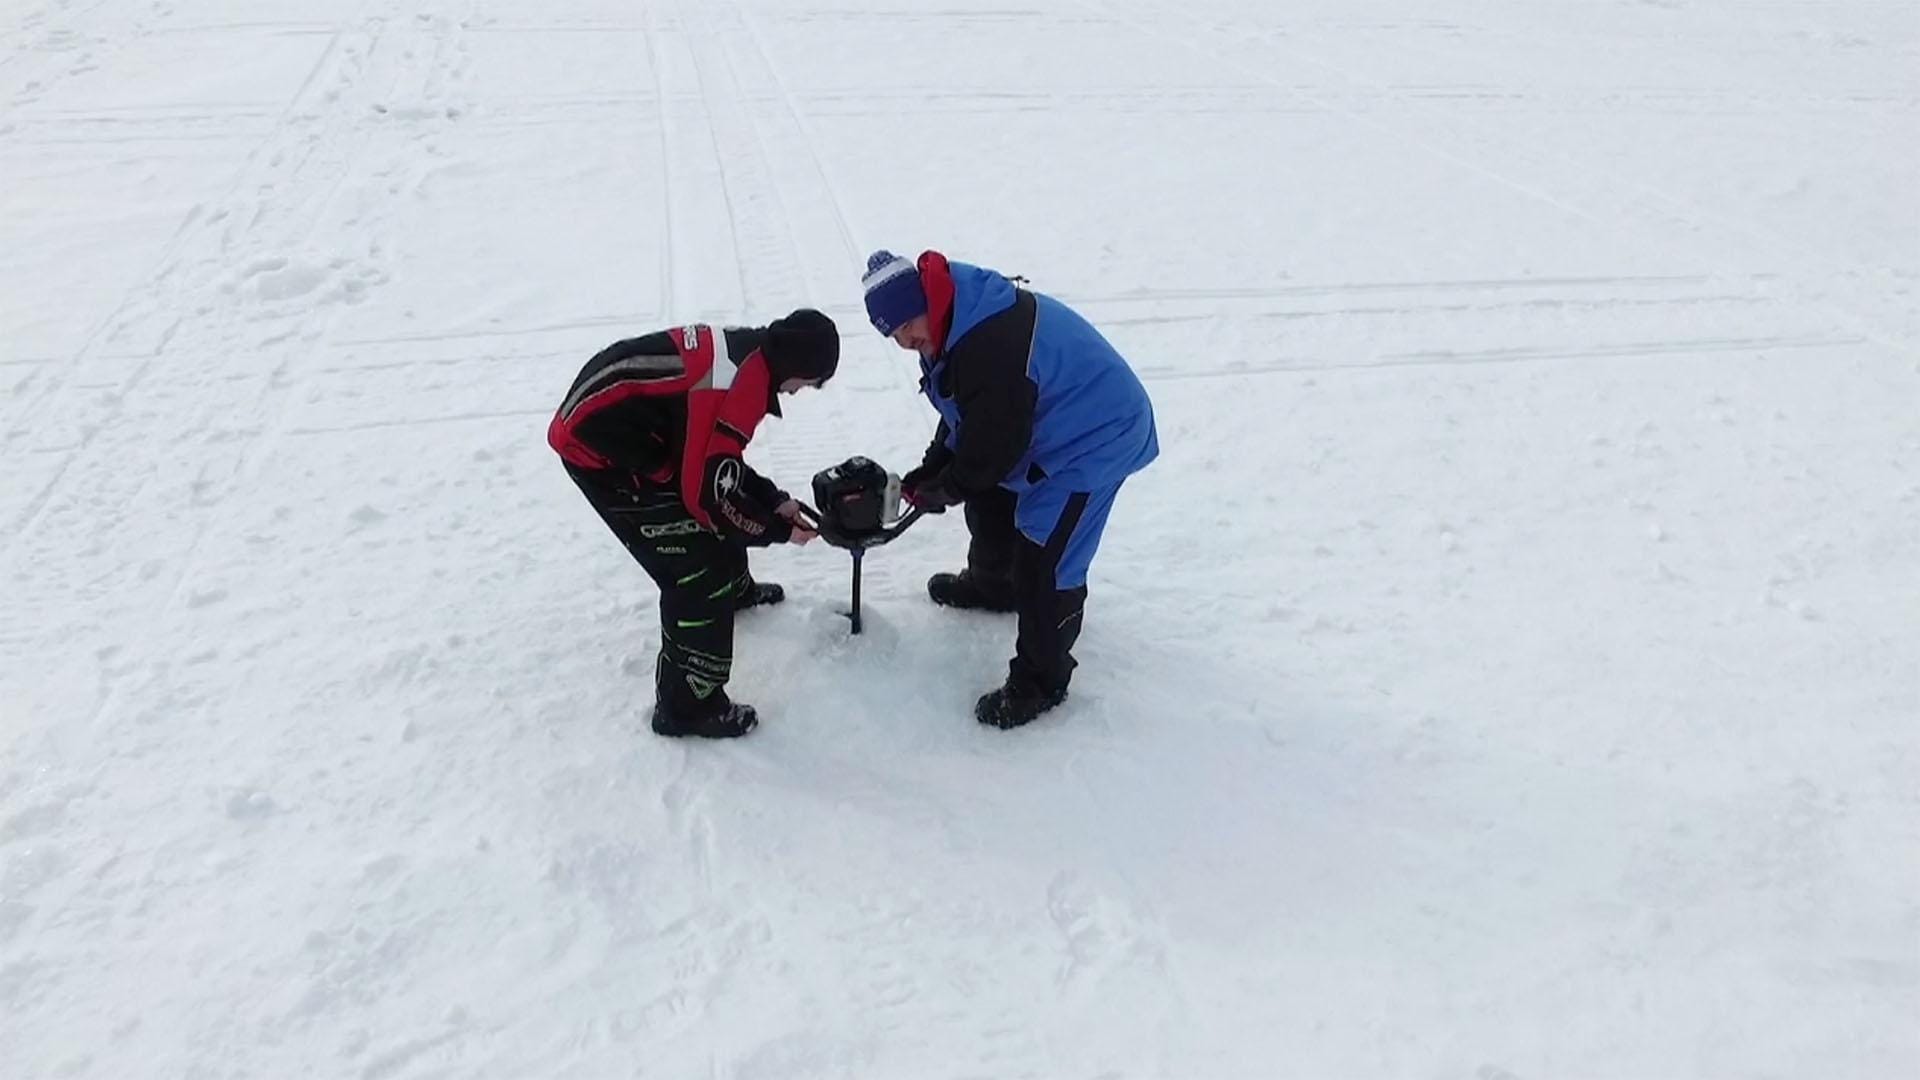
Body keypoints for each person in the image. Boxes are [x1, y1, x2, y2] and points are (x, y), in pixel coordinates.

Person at [860, 250, 1157, 729]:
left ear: (925, 302)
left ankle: (1041, 683)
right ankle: (994, 584)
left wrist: (950, 484)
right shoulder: (953, 320)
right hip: (1043, 427)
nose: (905, 341)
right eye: (893, 335)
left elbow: (996, 438)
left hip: (1095, 437)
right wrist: (935, 467)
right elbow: (969, 413)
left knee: (1047, 562)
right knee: (990, 494)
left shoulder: (987, 339)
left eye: (906, 326)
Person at [547, 309, 839, 738]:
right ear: (799, 369)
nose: (803, 392)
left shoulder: (752, 356)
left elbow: (717, 462)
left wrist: (771, 501)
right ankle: (687, 707)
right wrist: (777, 531)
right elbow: (707, 499)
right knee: (699, 570)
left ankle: (735, 592)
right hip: (598, 450)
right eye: (812, 383)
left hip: (639, 435)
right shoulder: (739, 386)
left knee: (718, 519)